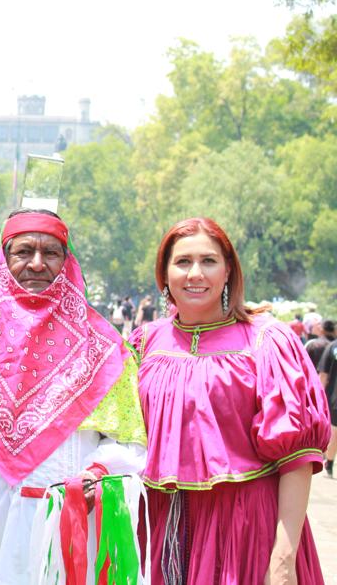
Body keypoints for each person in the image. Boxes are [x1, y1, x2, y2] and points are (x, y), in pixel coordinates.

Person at [0, 209, 146, 584]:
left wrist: (95, 476)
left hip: (66, 525)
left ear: (66, 262)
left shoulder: (104, 348)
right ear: (4, 258)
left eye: (50, 253)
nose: (37, 264)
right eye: (24, 252)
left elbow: (127, 441)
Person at [133, 217, 330, 584]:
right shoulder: (143, 344)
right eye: (182, 262)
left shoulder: (267, 341)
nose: (195, 274)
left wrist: (283, 559)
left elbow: (296, 459)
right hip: (160, 531)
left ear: (228, 271)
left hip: (245, 530)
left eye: (208, 261)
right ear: (164, 274)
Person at [316, 321, 337, 477]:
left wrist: (318, 397)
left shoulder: (332, 347)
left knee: (334, 429)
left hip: (334, 395)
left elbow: (323, 375)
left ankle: (329, 462)